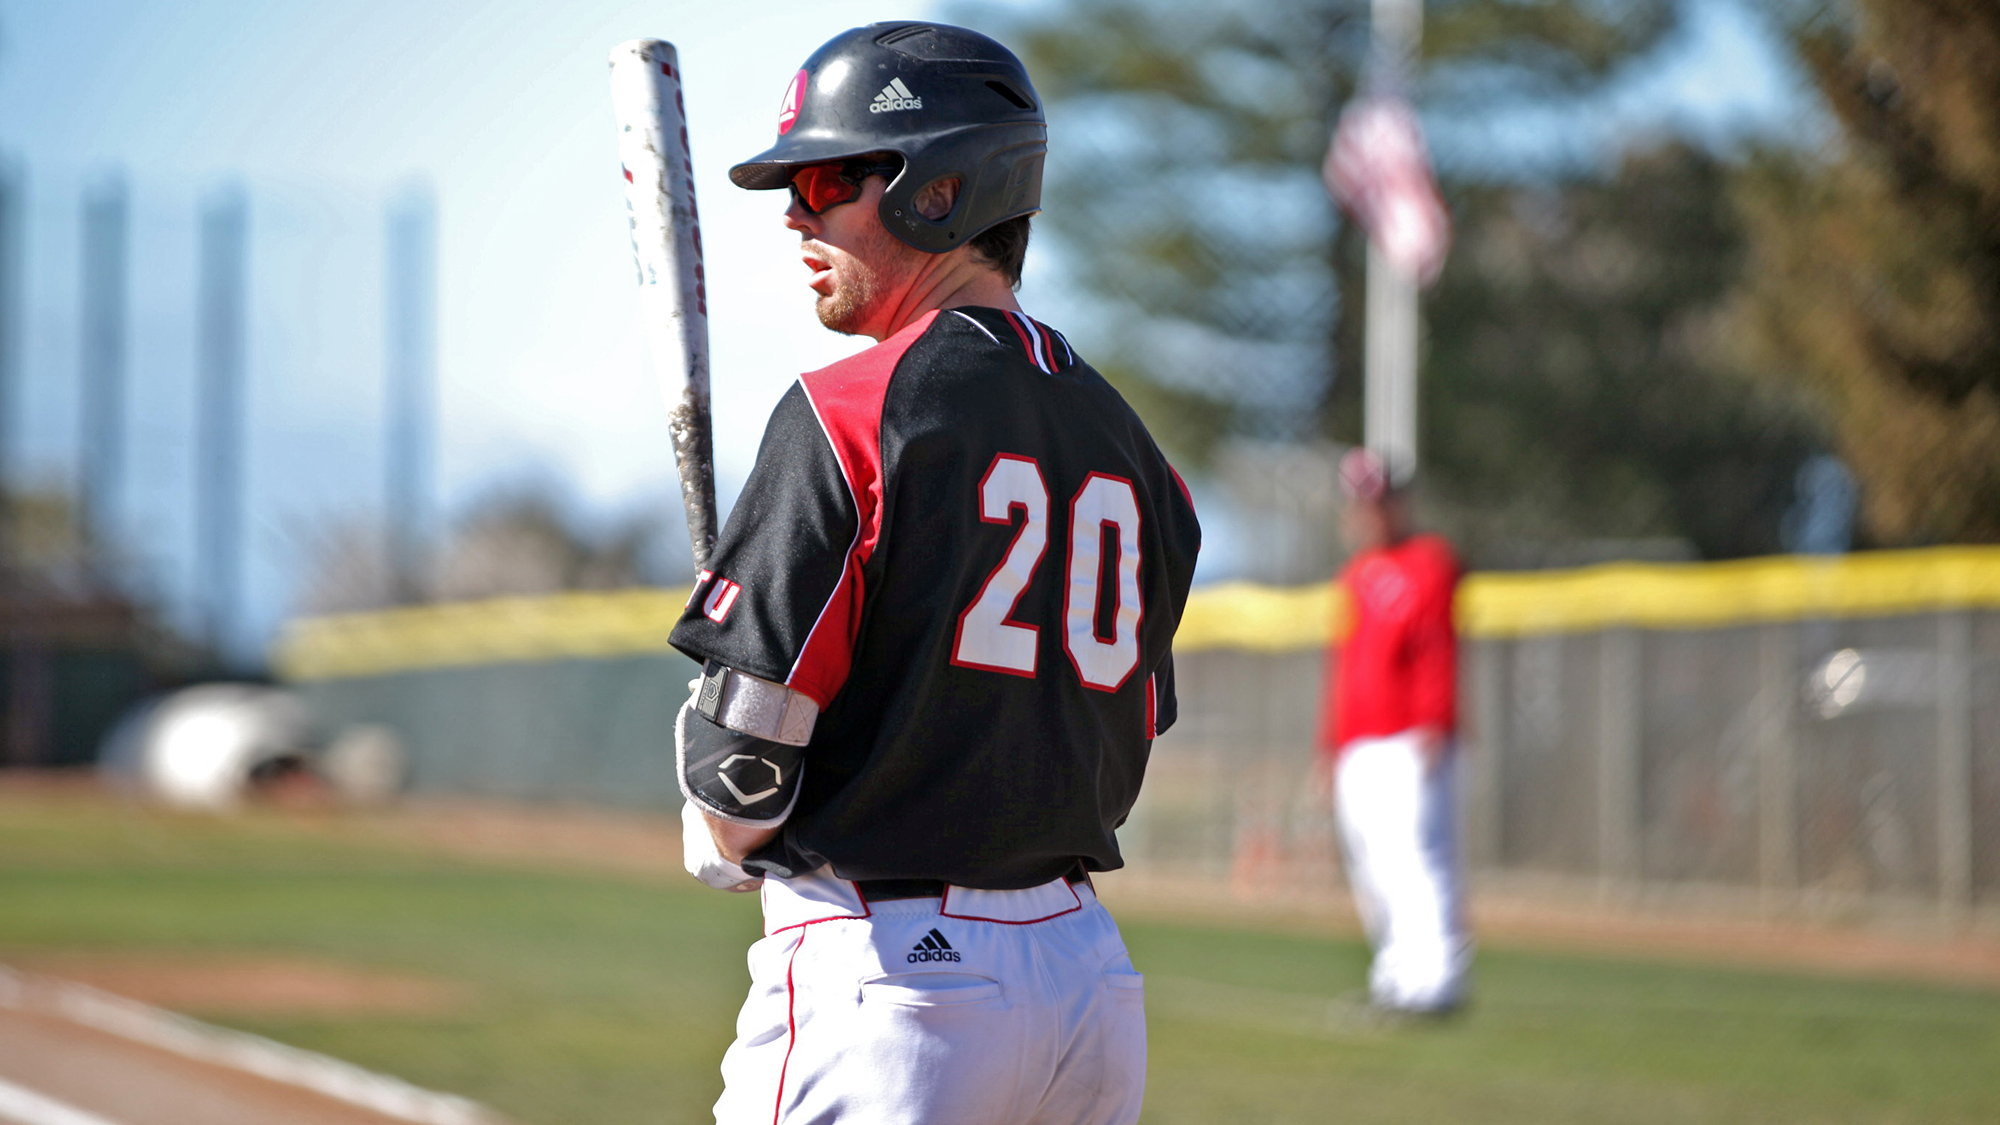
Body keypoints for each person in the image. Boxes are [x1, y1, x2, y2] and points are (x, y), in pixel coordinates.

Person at [665, 22, 1200, 1125]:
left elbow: (741, 776)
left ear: (939, 192)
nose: (796, 213)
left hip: (894, 987)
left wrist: (714, 813)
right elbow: (1119, 729)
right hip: (1088, 991)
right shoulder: (1144, 458)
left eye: (828, 179)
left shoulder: (846, 413)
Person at [1314, 447, 1470, 1015]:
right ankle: (1396, 977)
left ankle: (1436, 980)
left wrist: (1435, 721)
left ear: (1399, 503)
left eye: (1377, 501)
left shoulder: (1429, 562)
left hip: (1410, 738)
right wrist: (1329, 748)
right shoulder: (1355, 575)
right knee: (1370, 863)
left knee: (1417, 857)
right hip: (1358, 743)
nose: (1368, 513)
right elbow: (1344, 673)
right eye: (1359, 502)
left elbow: (1436, 649)